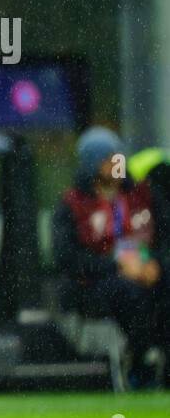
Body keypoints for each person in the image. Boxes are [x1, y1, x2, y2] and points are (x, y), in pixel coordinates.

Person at [53, 127, 169, 388]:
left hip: (146, 273)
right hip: (96, 284)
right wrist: (115, 265)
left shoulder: (142, 195)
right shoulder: (73, 204)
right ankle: (139, 362)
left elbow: (163, 238)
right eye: (108, 159)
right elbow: (67, 258)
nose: (116, 164)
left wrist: (155, 264)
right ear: (92, 164)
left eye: (118, 157)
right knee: (129, 293)